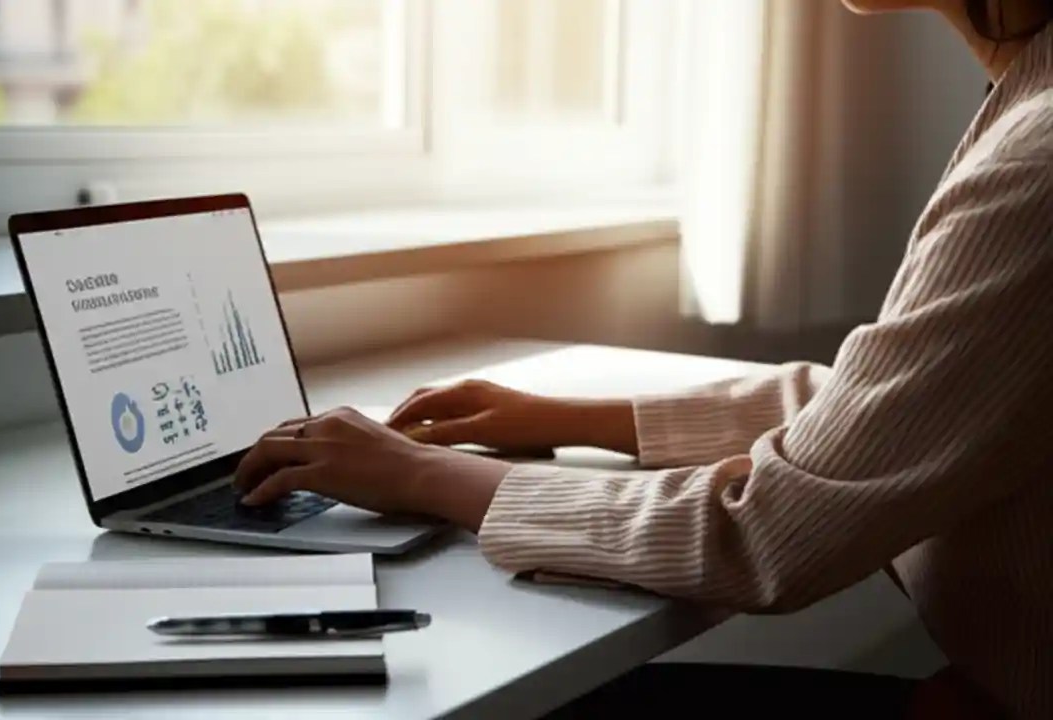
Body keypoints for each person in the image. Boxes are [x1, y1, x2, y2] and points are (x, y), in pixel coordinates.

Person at [235, 1, 1053, 717]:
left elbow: (764, 532)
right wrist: (577, 418)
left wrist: (419, 476)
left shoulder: (1034, 162)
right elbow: (900, 403)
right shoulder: (1025, 107)